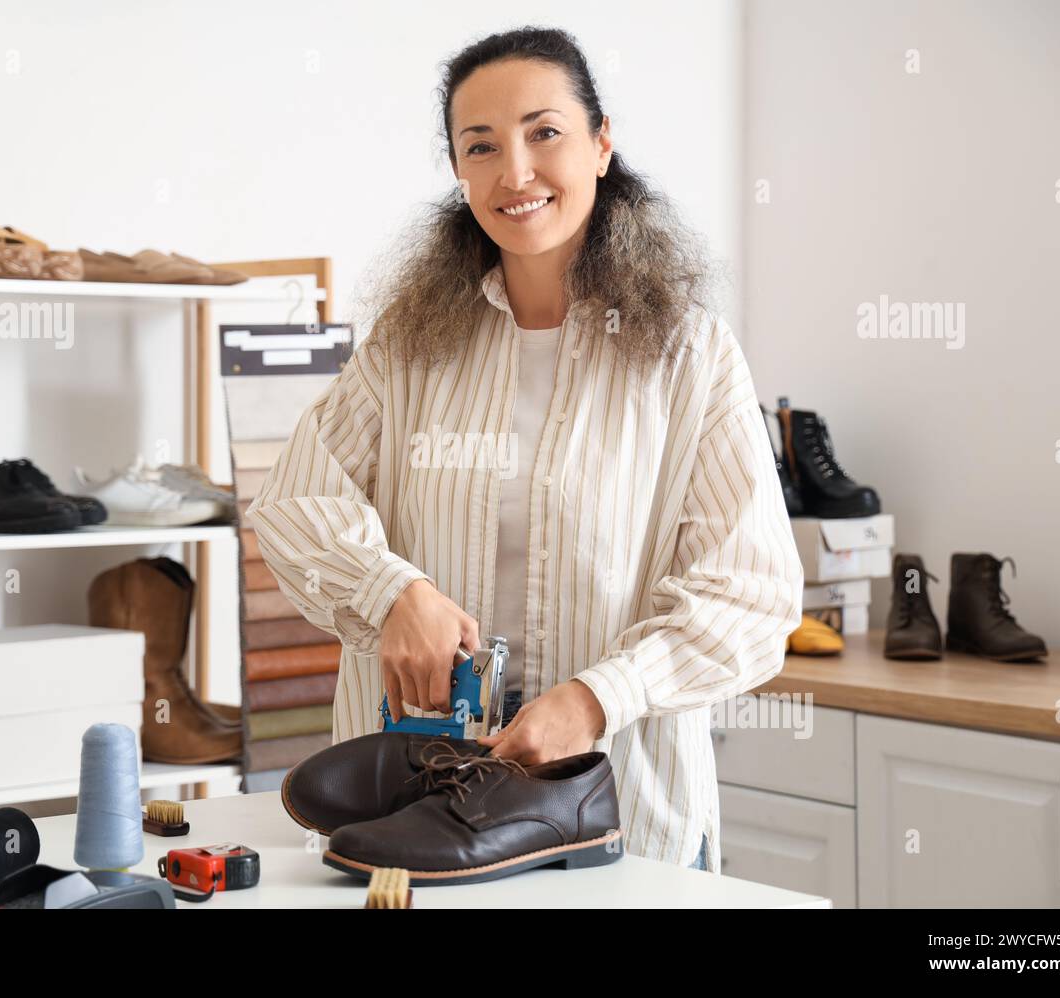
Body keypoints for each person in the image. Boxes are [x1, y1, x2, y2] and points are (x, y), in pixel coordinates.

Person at [247, 26, 803, 873]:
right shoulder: (410, 345)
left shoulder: (690, 355)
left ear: (602, 143)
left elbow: (754, 597)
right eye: (481, 146)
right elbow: (292, 505)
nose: (515, 173)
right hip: (412, 820)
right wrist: (394, 591)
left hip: (622, 824)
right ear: (459, 170)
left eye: (544, 132)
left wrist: (596, 699)